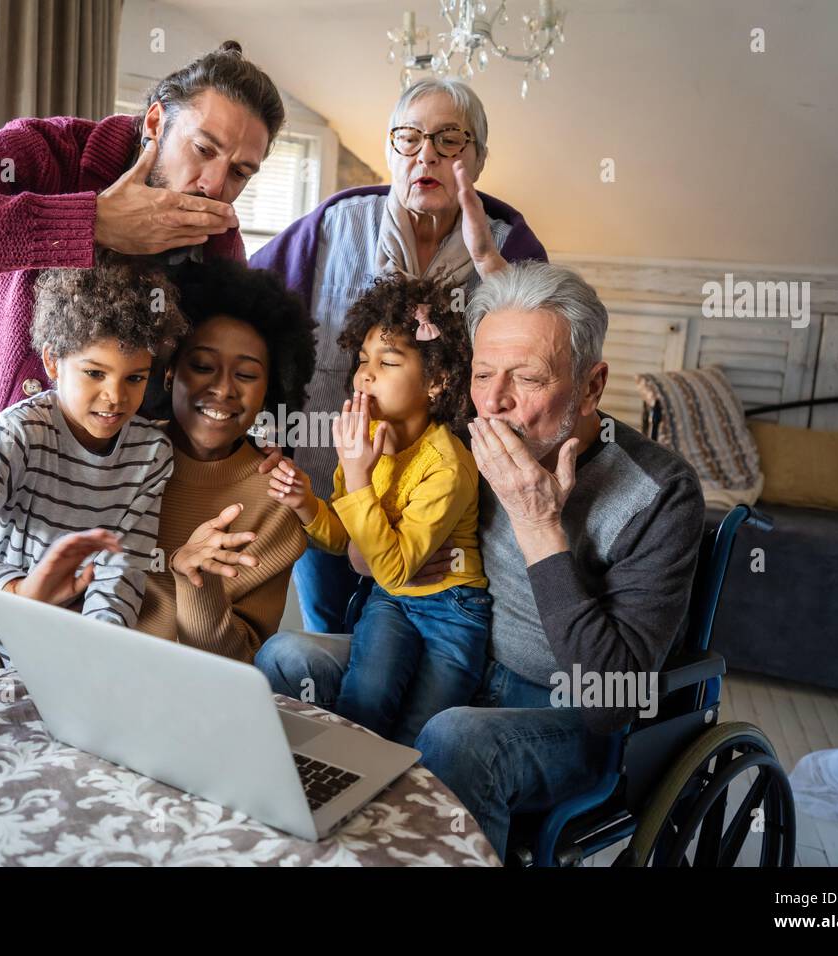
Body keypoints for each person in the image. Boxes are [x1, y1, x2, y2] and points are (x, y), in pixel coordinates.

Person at [256, 262, 706, 862]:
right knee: (286, 656)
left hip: (557, 710)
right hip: (436, 645)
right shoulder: (460, 442)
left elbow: (610, 699)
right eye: (484, 373)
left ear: (592, 385)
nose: (493, 402)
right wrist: (382, 546)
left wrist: (538, 523)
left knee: (454, 736)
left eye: (527, 378)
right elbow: (368, 563)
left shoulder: (659, 491)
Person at [0, 41, 284, 670]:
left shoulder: (216, 239)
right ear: (158, 122)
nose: (217, 187)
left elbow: (219, 360)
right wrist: (90, 223)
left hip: (105, 471)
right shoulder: (49, 154)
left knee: (68, 648)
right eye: (204, 149)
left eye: (242, 171)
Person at [252, 77, 547, 634]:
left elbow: (543, 364)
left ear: (478, 158)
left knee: (424, 655)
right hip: (334, 486)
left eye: (450, 139)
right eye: (408, 138)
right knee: (332, 639)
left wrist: (490, 270)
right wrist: (259, 432)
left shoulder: (511, 247)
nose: (426, 154)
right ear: (389, 151)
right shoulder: (334, 225)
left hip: (446, 509)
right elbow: (245, 312)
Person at [0, 263, 186, 640]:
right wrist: (17, 595)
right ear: (53, 361)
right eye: (94, 373)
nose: (115, 396)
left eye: (134, 378)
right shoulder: (22, 431)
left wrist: (99, 649)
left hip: (73, 647)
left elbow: (122, 572)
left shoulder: (151, 453)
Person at [266, 275, 489, 746]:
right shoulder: (365, 446)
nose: (365, 375)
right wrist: (306, 504)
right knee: (364, 702)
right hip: (391, 601)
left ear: (437, 382)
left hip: (453, 610)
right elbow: (350, 543)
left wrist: (358, 474)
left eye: (387, 362)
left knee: (422, 736)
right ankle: (349, 793)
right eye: (363, 361)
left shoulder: (448, 465)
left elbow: (390, 566)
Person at [133, 259, 316, 663]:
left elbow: (238, 661)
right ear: (169, 372)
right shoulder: (120, 457)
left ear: (271, 391)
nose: (223, 389)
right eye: (202, 366)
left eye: (247, 375)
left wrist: (196, 581)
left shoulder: (276, 503)